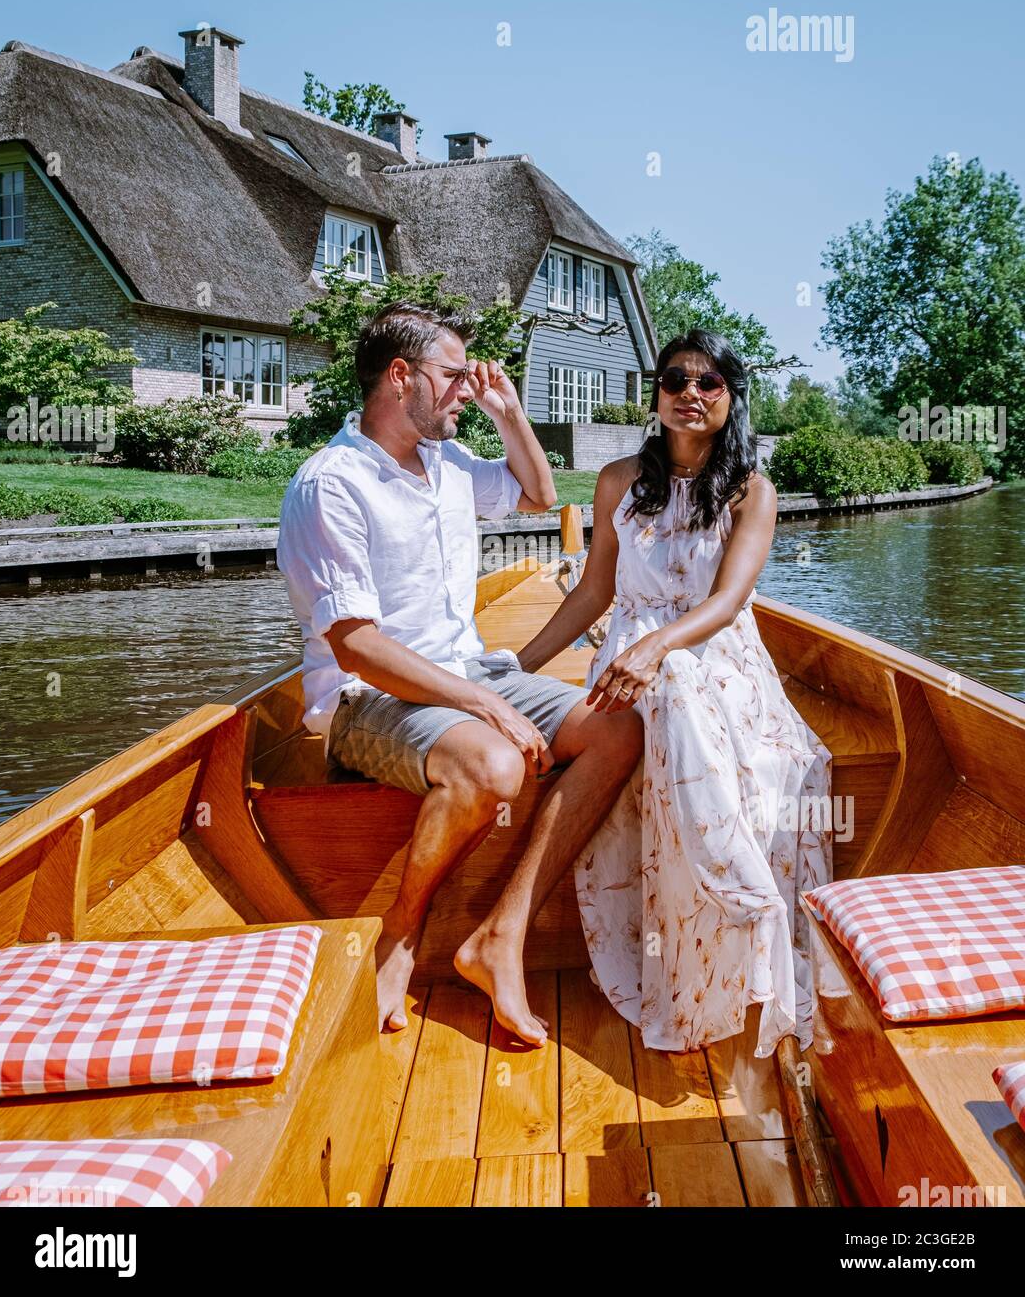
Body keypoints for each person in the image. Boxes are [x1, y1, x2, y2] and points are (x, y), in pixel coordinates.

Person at [277, 301, 643, 1046]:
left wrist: (511, 413)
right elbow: (356, 646)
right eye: (453, 377)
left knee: (617, 730)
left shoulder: (446, 466)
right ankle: (402, 935)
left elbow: (539, 494)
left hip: (467, 668)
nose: (465, 391)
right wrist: (483, 703)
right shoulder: (332, 485)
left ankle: (500, 935)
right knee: (493, 763)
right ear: (400, 376)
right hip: (366, 700)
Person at [514, 329, 834, 1058]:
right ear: (656, 394)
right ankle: (702, 922)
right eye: (675, 380)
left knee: (680, 689)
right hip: (630, 655)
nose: (690, 393)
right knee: (652, 700)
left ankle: (736, 899)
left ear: (730, 396)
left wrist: (656, 649)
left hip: (712, 656)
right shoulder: (619, 479)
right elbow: (595, 590)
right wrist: (513, 666)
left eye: (709, 382)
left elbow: (724, 604)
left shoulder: (753, 490)